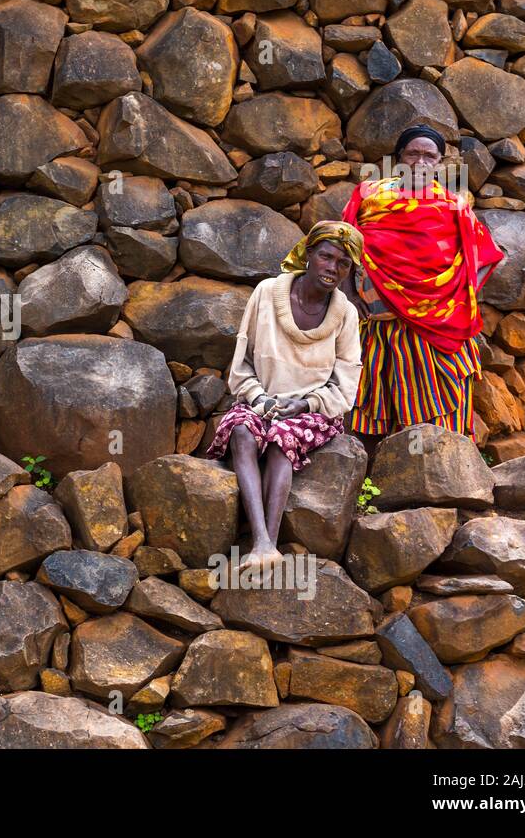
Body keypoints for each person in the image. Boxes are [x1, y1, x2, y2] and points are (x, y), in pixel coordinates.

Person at [205, 221, 364, 573]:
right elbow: (242, 366)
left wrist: (306, 404)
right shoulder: (265, 294)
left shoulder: (346, 315)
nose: (332, 268)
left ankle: (267, 544)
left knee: (281, 439)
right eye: (326, 256)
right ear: (308, 254)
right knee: (243, 431)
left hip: (312, 410)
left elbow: (346, 385)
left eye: (343, 263)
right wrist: (260, 401)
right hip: (261, 400)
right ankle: (261, 541)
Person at [341, 125, 504, 446]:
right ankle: (380, 464)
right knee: (380, 388)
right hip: (378, 320)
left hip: (438, 320)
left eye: (429, 155)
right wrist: (348, 293)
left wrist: (459, 296)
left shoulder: (454, 206)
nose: (420, 161)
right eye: (412, 153)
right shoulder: (370, 195)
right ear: (399, 157)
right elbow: (345, 241)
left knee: (443, 385)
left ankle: (444, 462)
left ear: (440, 162)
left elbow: (484, 254)